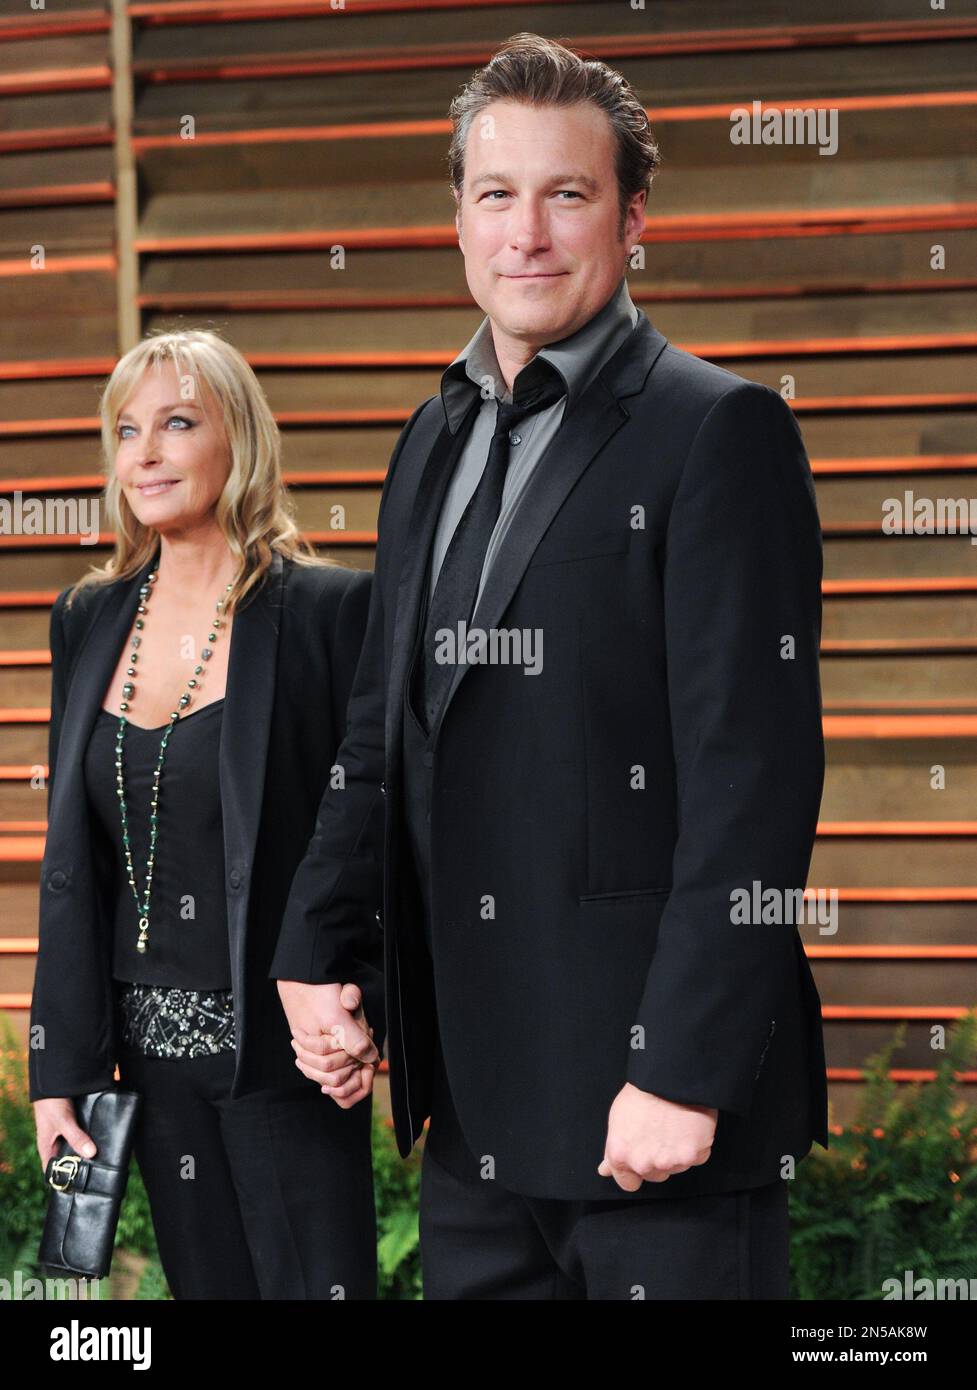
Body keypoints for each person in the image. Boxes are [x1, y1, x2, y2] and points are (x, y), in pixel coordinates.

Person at [272, 33, 829, 1300]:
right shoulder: (430, 436)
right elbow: (379, 727)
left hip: (655, 1117)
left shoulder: (718, 430)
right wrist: (316, 945)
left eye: (566, 194)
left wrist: (681, 1069)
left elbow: (753, 778)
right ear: (457, 217)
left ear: (633, 217)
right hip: (474, 1109)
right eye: (495, 194)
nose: (525, 232)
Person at [30, 328, 383, 1300]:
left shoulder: (324, 611)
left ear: (240, 441)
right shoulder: (86, 619)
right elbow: (73, 863)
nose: (143, 451)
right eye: (127, 428)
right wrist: (57, 1064)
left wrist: (366, 1009)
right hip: (144, 1066)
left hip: (284, 1057)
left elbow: (374, 831)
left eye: (177, 422)